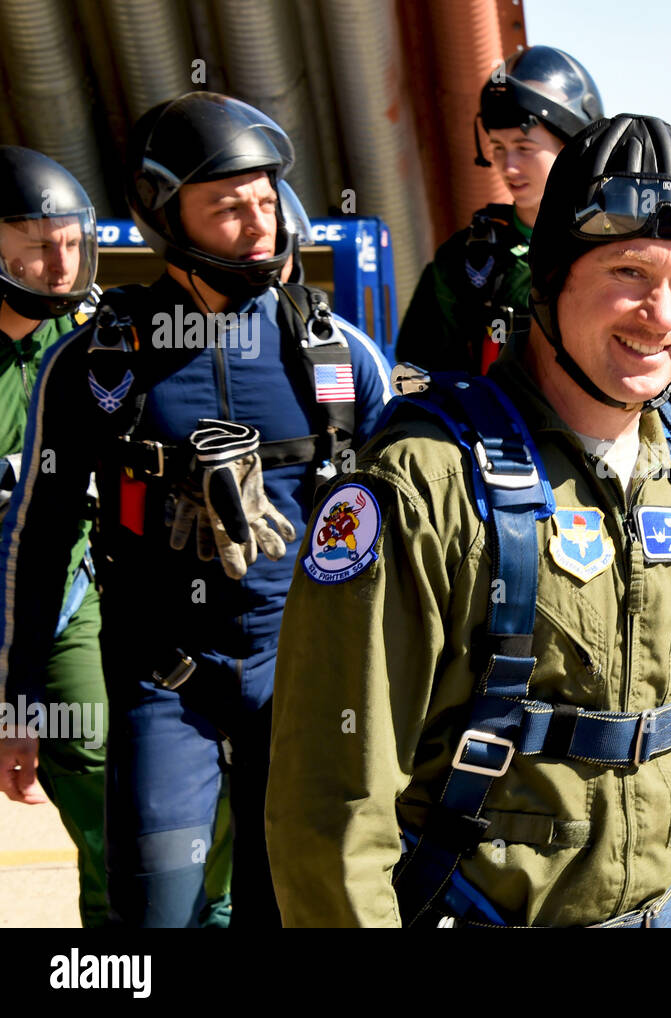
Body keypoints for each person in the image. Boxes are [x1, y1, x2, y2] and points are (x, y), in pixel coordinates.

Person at [266, 113, 671, 927]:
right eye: (629, 272)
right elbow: (333, 804)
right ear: (549, 281)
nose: (661, 315)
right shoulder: (422, 486)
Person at [0, 92, 390, 928]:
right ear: (166, 217)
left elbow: (410, 537)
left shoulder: (338, 354)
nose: (259, 225)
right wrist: (18, 696)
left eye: (264, 200)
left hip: (304, 685)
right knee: (154, 916)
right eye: (227, 208)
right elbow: (37, 532)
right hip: (160, 687)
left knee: (287, 907)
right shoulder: (96, 361)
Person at [0, 145, 108, 927]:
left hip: (58, 604)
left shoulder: (92, 345)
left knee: (109, 786)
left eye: (69, 241)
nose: (58, 264)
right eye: (37, 243)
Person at [394, 45, 602, 373]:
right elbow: (421, 376)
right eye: (498, 148)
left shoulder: (615, 251)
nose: (509, 167)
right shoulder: (463, 262)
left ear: (573, 150)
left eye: (524, 148)